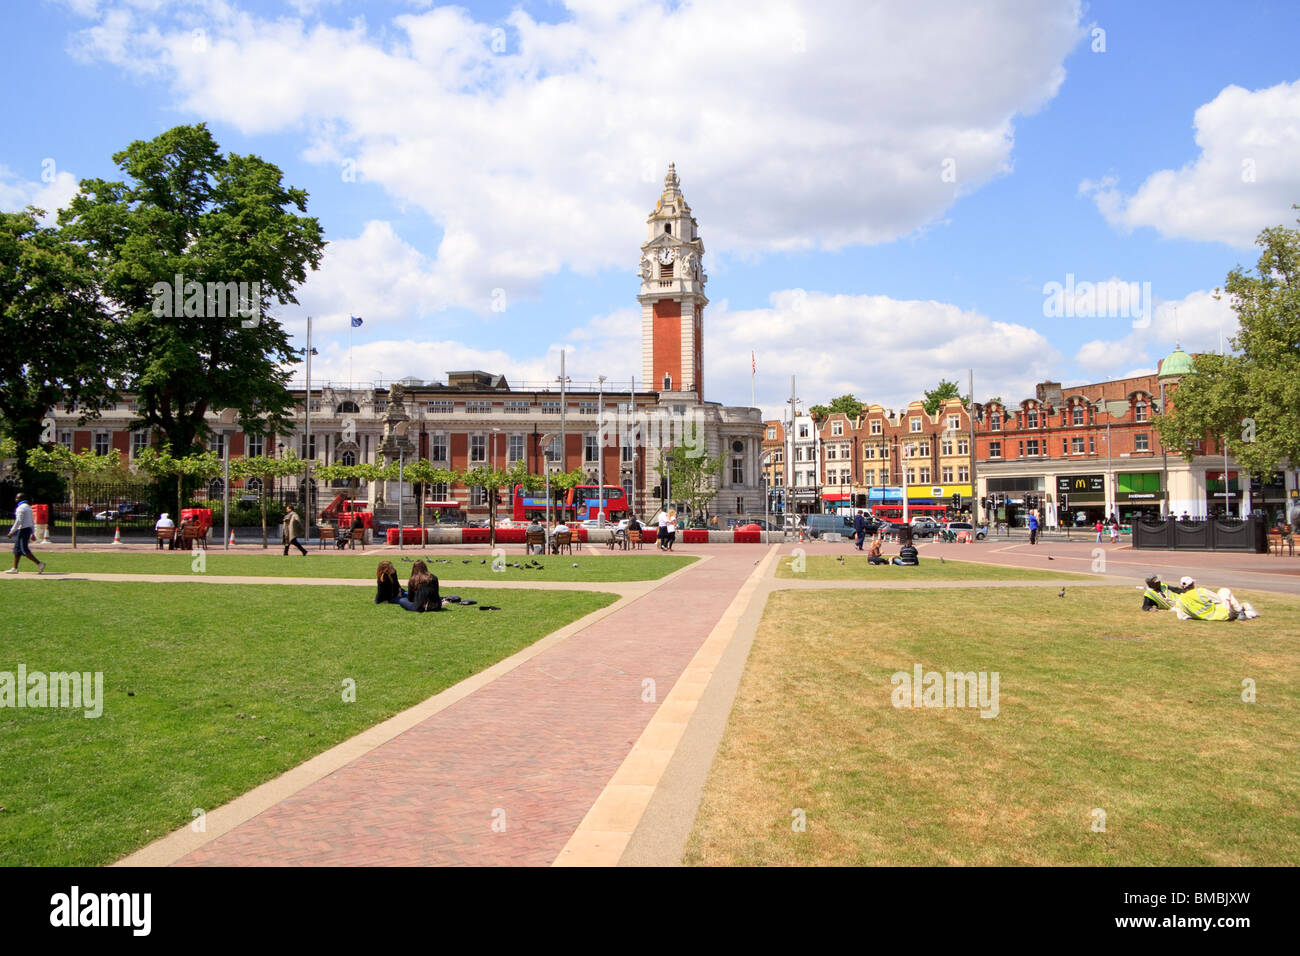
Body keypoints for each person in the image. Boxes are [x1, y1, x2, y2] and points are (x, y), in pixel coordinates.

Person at [6, 493, 45, 574]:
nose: (15, 499)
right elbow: (31, 522)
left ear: (22, 499)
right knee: (17, 550)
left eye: (17, 498)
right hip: (26, 530)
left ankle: (39, 563)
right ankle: (14, 568)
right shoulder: (28, 507)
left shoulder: (21, 508)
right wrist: (32, 533)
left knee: (24, 550)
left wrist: (11, 532)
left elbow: (18, 521)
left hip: (22, 530)